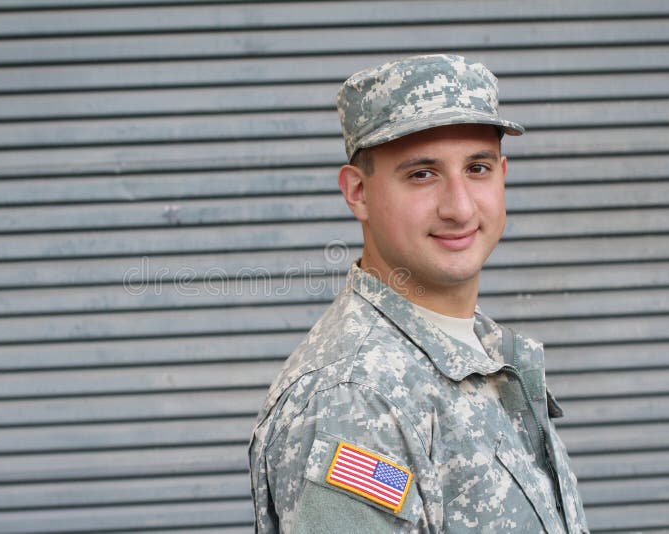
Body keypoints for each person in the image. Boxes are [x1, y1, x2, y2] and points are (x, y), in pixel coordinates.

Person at [248, 54, 589, 533]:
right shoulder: (357, 400)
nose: (459, 206)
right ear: (358, 193)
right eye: (422, 174)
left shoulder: (482, 349)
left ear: (503, 175)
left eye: (477, 168)